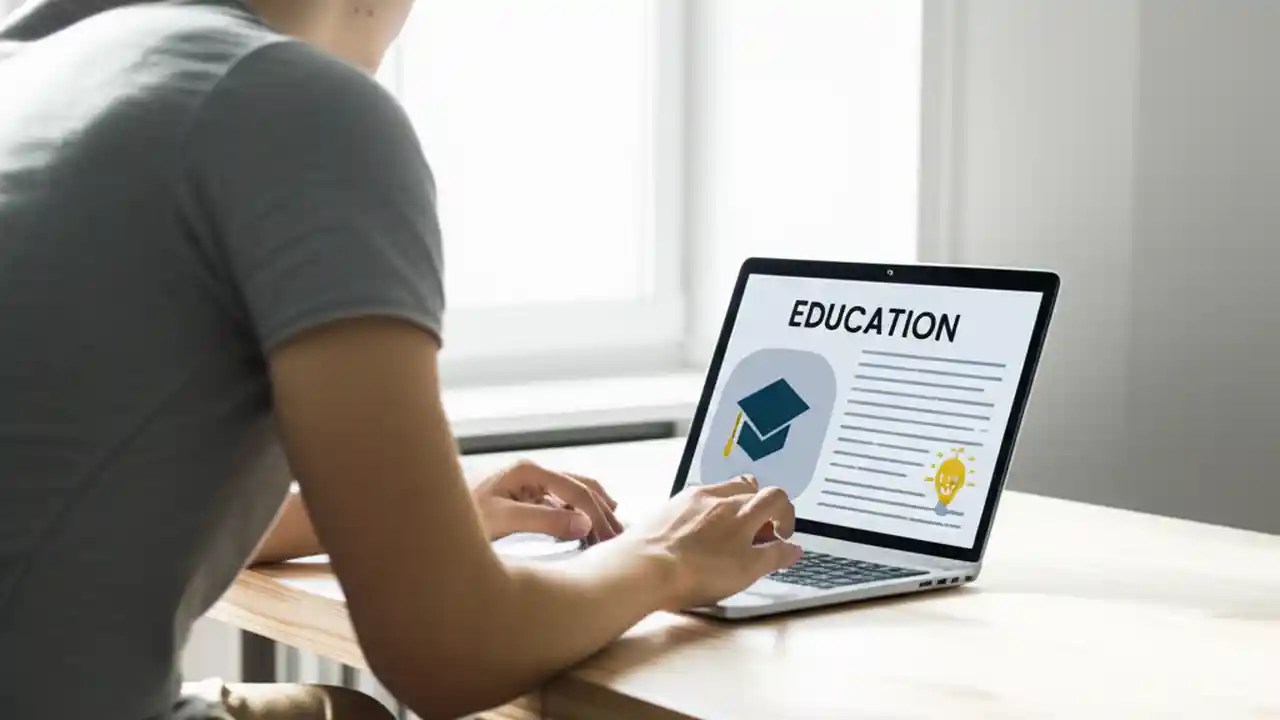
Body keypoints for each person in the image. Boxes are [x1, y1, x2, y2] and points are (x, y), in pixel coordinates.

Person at [0, 1, 802, 718]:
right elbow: (452, 653)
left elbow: (77, 476)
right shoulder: (291, 105)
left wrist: (431, 518)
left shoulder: (37, 56)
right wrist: (665, 554)